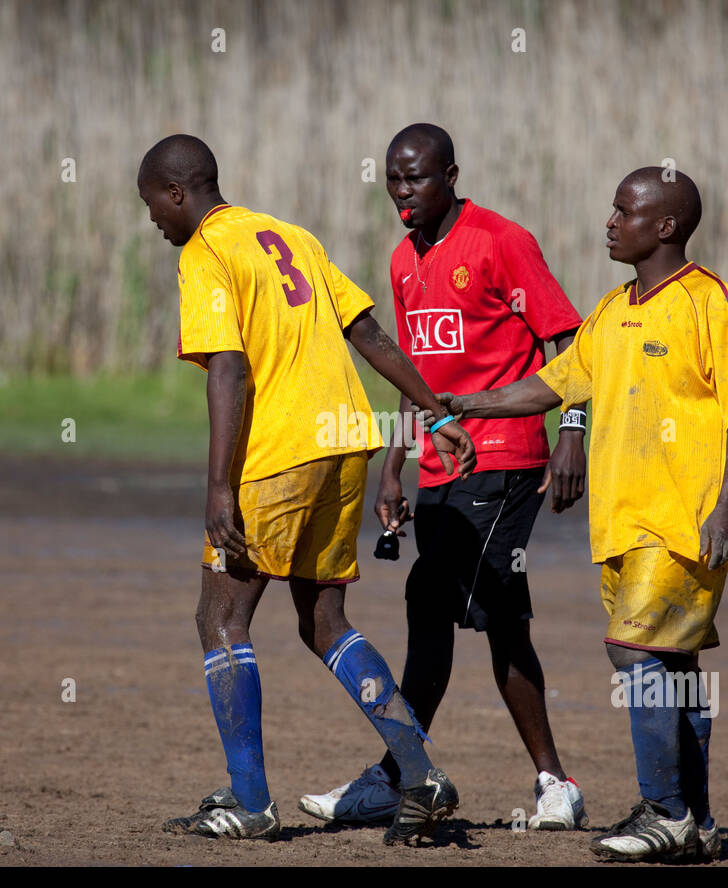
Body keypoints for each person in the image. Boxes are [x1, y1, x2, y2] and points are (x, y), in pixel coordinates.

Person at [138, 134, 477, 845]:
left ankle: (251, 801)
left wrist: (219, 488)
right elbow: (370, 333)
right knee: (324, 624)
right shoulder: (291, 235)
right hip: (345, 441)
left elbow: (229, 370)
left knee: (221, 620)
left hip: (280, 454)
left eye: (152, 207)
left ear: (177, 194)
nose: (154, 224)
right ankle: (418, 772)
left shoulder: (206, 250)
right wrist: (435, 411)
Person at [423, 166, 728, 862]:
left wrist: (726, 507)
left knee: (632, 649)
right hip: (620, 523)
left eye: (624, 211)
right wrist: (464, 403)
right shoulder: (612, 310)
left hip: (684, 520)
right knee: (674, 665)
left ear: (665, 227)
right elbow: (552, 384)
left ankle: (662, 809)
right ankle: (694, 821)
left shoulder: (713, 304)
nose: (610, 222)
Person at [299, 123, 589, 831]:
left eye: (418, 179)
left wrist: (572, 436)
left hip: (506, 454)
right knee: (441, 612)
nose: (404, 192)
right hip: (439, 465)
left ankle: (541, 781)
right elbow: (413, 379)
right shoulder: (403, 261)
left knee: (482, 616)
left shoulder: (501, 241)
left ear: (451, 175)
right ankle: (407, 774)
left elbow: (567, 340)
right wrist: (393, 467)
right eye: (394, 180)